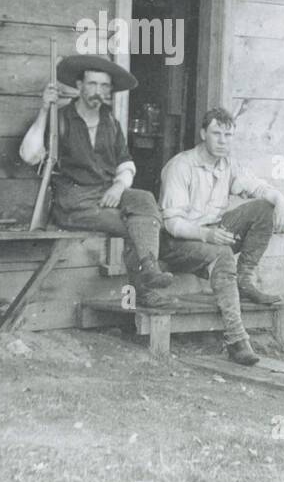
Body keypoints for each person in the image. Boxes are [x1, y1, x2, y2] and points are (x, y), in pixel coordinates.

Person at [19, 54, 174, 305]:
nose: (97, 91)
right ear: (79, 86)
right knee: (140, 227)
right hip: (74, 203)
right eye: (91, 84)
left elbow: (126, 163)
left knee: (144, 199)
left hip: (105, 194)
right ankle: (145, 291)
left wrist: (118, 185)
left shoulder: (110, 122)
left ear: (109, 90)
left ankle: (150, 269)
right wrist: (44, 109)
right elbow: (29, 155)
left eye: (104, 86)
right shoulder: (60, 119)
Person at [158, 107, 284, 366]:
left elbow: (258, 187)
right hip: (179, 242)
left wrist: (281, 201)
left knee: (263, 208)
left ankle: (243, 279)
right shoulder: (181, 166)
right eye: (216, 134)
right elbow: (172, 223)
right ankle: (236, 339)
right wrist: (207, 235)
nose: (223, 141)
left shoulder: (229, 164)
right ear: (202, 134)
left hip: (213, 231)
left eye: (228, 135)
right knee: (222, 254)